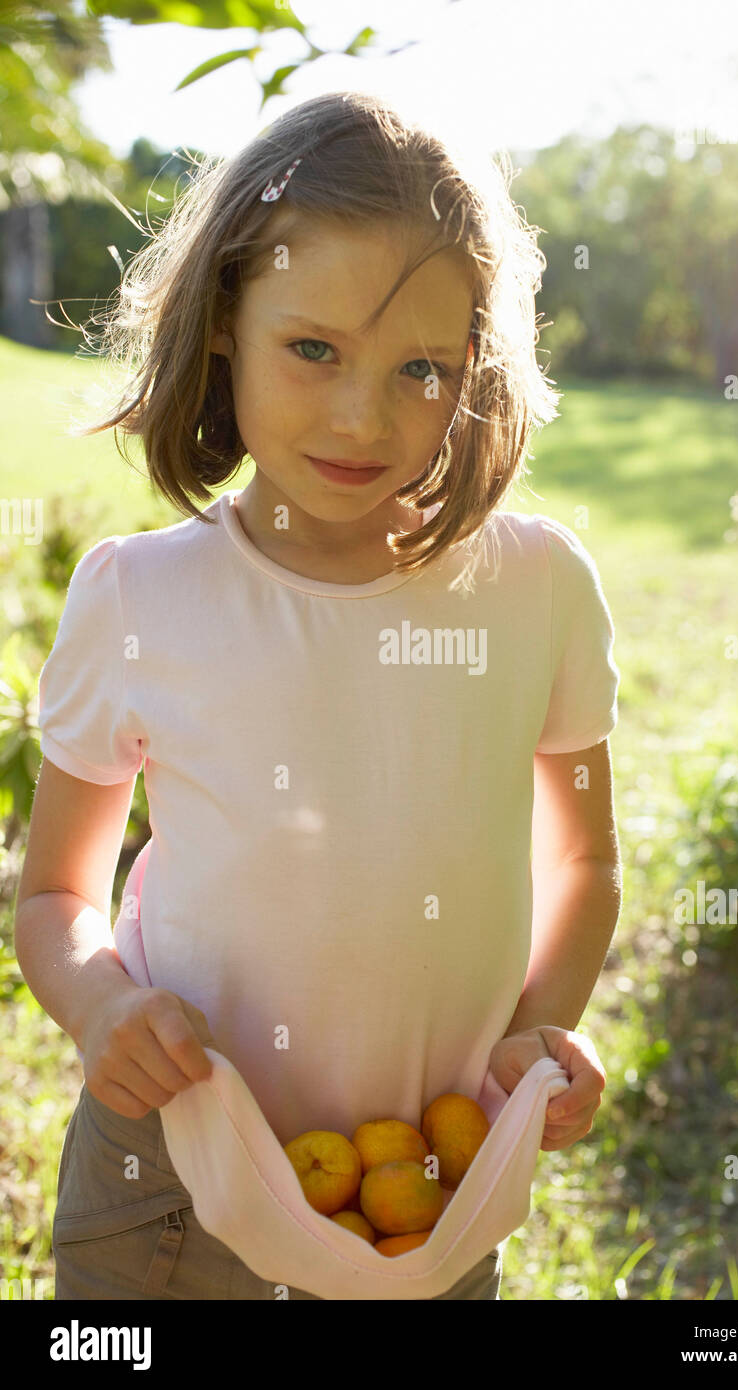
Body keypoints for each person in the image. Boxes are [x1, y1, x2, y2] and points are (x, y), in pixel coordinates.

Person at [14, 90, 620, 1301]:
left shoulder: (537, 587)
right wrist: (96, 1004)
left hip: (427, 1192)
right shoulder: (140, 595)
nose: (363, 417)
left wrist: (537, 1028)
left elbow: (587, 867)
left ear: (476, 368)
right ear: (227, 319)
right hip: (172, 1183)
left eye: (420, 369)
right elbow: (54, 893)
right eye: (313, 350)